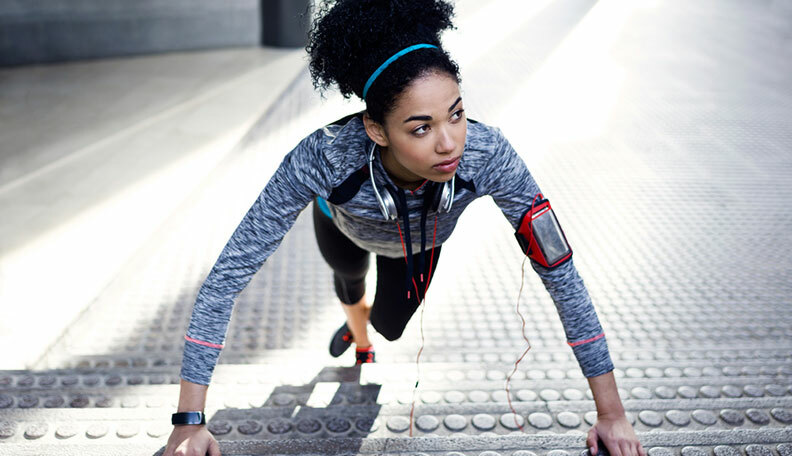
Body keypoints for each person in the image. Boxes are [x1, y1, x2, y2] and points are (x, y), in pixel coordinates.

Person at [164, 1, 647, 455]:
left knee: (392, 326)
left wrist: (612, 414)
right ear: (377, 130)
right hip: (343, 229)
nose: (449, 143)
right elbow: (226, 278)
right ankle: (358, 335)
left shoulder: (488, 154)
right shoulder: (323, 156)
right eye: (420, 128)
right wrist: (189, 419)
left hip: (418, 246)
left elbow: (561, 274)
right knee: (350, 281)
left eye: (456, 113)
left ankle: (369, 331)